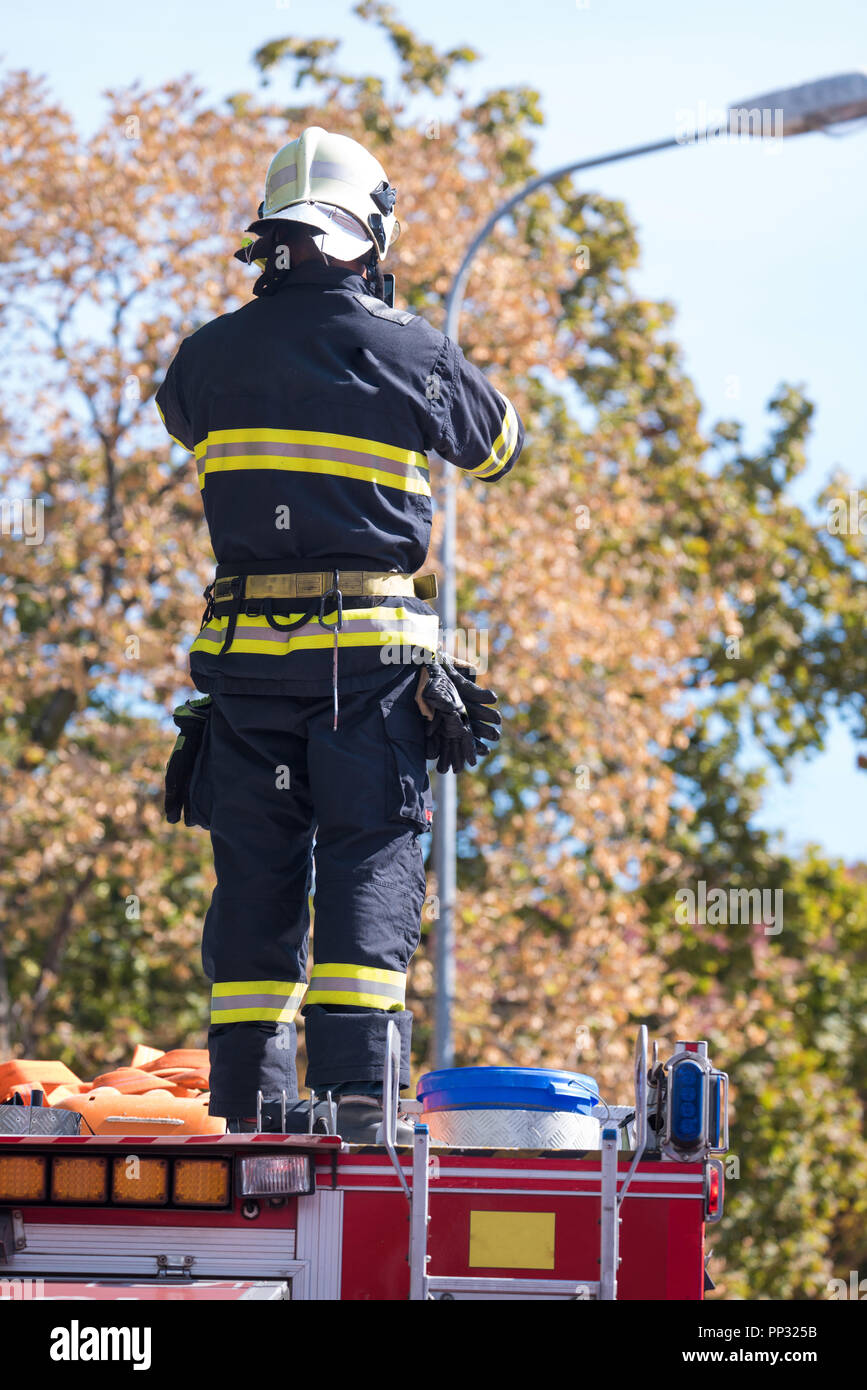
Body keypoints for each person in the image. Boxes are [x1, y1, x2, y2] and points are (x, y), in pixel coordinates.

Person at [156, 126, 523, 1140]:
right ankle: (361, 1100)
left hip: (243, 675)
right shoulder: (412, 352)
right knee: (368, 862)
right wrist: (413, 346)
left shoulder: (204, 359)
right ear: (373, 233)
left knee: (255, 880)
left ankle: (252, 1108)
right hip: (367, 673)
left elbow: (183, 416)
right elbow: (499, 446)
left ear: (271, 234)